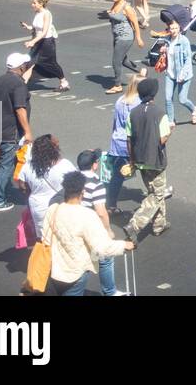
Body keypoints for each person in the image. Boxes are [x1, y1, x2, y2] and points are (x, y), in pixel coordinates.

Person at [44, 170, 134, 296]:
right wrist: (124, 245)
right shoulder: (87, 215)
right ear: (82, 192)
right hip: (75, 272)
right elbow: (102, 248)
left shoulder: (53, 209)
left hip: (53, 269)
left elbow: (46, 239)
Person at [123, 77, 172, 241]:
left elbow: (129, 139)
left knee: (153, 190)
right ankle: (135, 224)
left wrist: (132, 160)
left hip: (139, 159)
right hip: (156, 160)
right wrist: (171, 130)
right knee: (157, 195)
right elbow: (162, 139)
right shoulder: (159, 113)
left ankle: (159, 224)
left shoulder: (133, 113)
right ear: (153, 94)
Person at [0, 52, 34, 213]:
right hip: (11, 132)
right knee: (6, 165)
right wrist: (27, 132)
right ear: (21, 67)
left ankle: (14, 189)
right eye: (25, 65)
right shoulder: (18, 84)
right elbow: (20, 109)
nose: (26, 66)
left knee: (11, 162)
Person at [72, 154, 127, 296]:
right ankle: (109, 291)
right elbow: (101, 211)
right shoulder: (96, 183)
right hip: (90, 227)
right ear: (95, 165)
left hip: (73, 222)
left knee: (85, 256)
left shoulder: (73, 179)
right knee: (105, 257)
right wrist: (108, 231)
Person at [19, 133, 76, 238]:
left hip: (38, 208)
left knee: (44, 239)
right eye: (56, 145)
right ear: (53, 149)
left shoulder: (27, 167)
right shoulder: (65, 165)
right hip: (61, 207)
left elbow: (22, 187)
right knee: (64, 237)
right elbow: (76, 184)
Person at [105, 75, 140, 215]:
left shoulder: (120, 99)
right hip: (130, 142)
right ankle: (156, 192)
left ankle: (111, 204)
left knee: (117, 176)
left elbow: (115, 123)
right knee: (146, 169)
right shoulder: (138, 102)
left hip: (117, 141)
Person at [23, 0, 68, 91]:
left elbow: (44, 32)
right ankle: (22, 86)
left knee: (50, 64)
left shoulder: (46, 14)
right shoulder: (37, 13)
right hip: (38, 42)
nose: (32, 5)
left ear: (41, 4)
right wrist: (28, 27)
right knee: (30, 62)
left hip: (46, 42)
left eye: (34, 3)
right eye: (32, 2)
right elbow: (36, 28)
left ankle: (64, 82)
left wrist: (32, 41)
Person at [163, 18, 196, 125]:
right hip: (170, 74)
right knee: (168, 98)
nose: (173, 30)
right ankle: (171, 120)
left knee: (182, 99)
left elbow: (188, 59)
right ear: (169, 29)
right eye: (171, 28)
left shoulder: (184, 41)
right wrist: (163, 51)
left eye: (176, 28)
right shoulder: (167, 40)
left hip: (183, 74)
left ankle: (194, 109)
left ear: (179, 29)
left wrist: (182, 74)